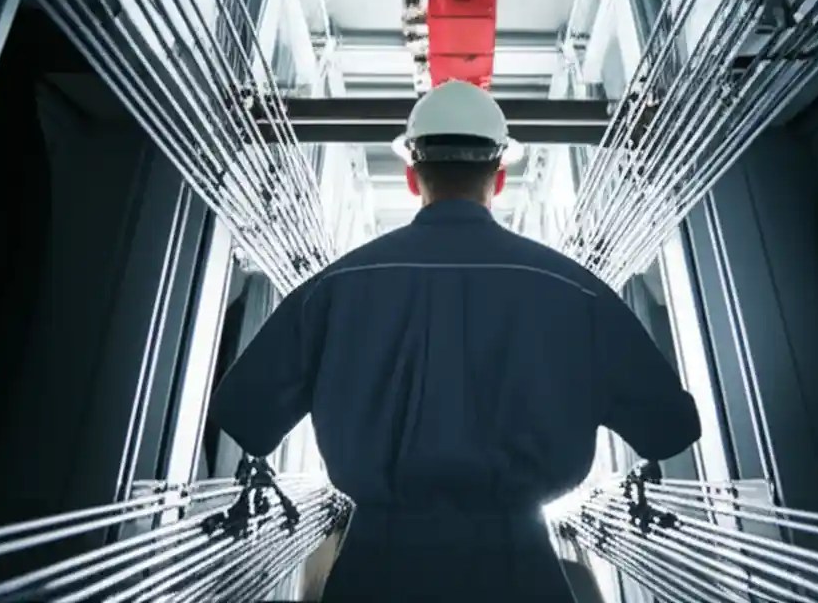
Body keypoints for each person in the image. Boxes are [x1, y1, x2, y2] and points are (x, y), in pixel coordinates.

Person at [209, 80, 701, 601]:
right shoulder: (576, 291)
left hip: (374, 572)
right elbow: (668, 426)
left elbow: (244, 409)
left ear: (409, 175)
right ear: (501, 175)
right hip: (521, 571)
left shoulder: (335, 288)